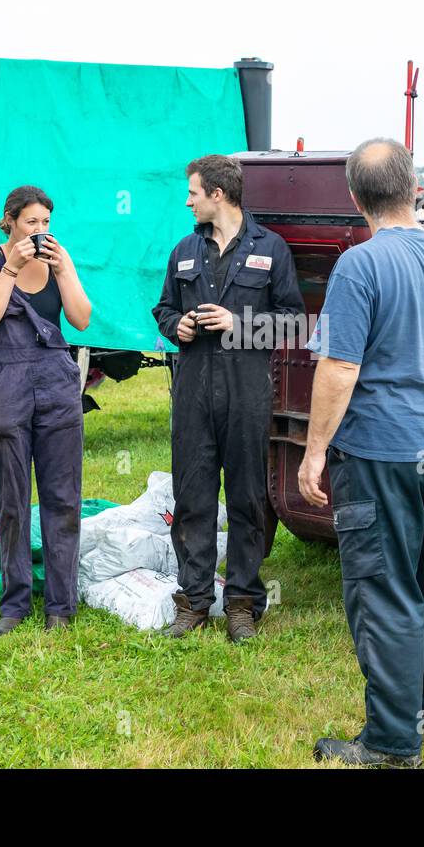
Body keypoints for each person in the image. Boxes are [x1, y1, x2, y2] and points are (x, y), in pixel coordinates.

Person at [297, 138, 424, 767]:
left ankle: (391, 743)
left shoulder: (359, 266)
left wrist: (313, 453)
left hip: (383, 452)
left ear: (355, 198)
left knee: (386, 591)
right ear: (415, 188)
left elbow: (337, 367)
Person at [152, 155, 304, 642]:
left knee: (246, 500)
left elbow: (294, 322)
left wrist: (240, 326)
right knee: (192, 498)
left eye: (193, 192)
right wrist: (176, 325)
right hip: (194, 394)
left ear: (218, 194)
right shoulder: (183, 251)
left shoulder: (271, 249)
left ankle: (242, 604)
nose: (187, 200)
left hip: (247, 395)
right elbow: (163, 309)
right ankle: (193, 602)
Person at [0, 185, 93, 636]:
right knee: (12, 500)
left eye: (45, 223)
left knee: (63, 499)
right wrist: (13, 268)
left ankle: (61, 606)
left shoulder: (58, 258)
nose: (39, 231)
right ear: (10, 221)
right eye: (31, 222)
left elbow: (81, 319)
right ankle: (15, 603)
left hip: (56, 383)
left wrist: (64, 271)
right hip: (6, 382)